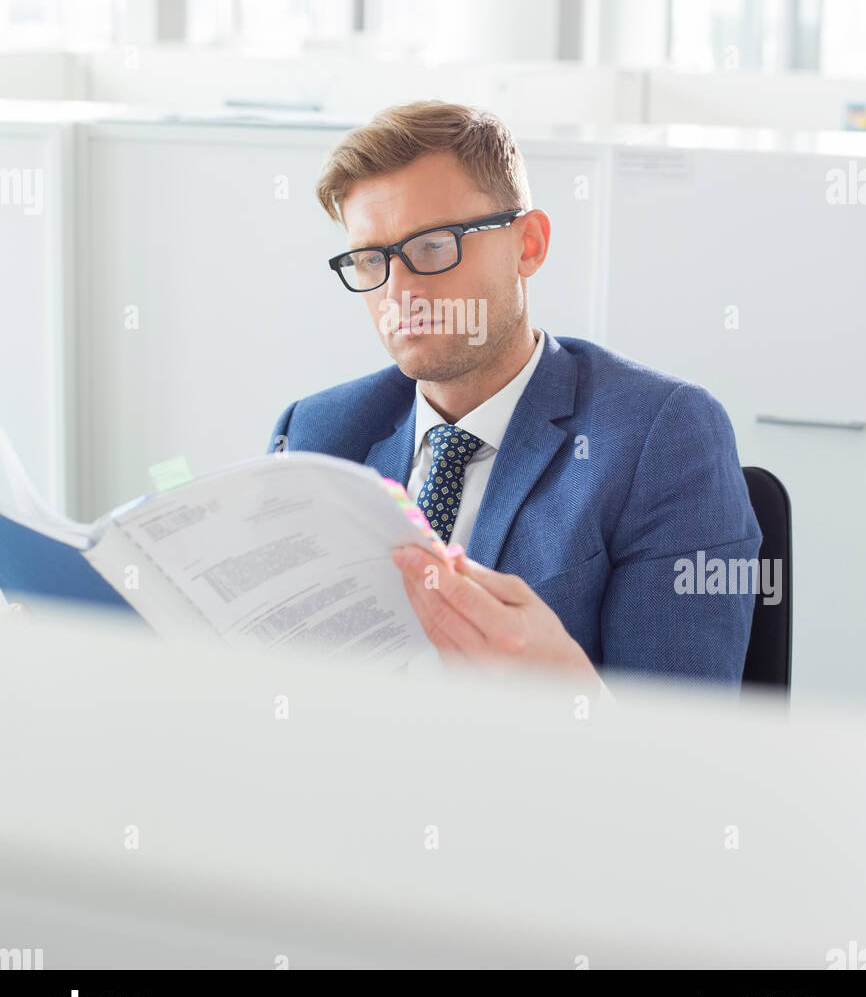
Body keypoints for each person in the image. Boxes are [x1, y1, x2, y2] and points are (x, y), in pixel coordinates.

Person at [269, 101, 761, 690]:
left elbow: (680, 752)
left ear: (528, 244)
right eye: (371, 259)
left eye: (432, 246)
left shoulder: (663, 438)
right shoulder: (317, 435)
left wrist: (567, 689)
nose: (398, 292)